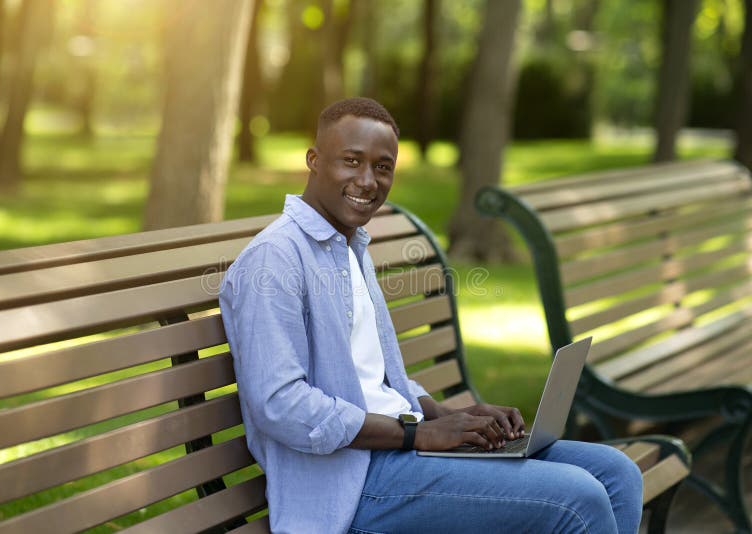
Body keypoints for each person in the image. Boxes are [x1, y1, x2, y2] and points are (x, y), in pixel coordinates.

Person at [218, 97, 643, 534]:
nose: (367, 181)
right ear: (313, 160)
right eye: (351, 161)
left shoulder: (348, 246)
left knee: (617, 475)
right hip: (351, 484)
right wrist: (414, 434)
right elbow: (280, 405)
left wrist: (446, 417)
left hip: (400, 453)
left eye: (383, 167)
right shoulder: (275, 260)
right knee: (579, 499)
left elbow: (376, 381)